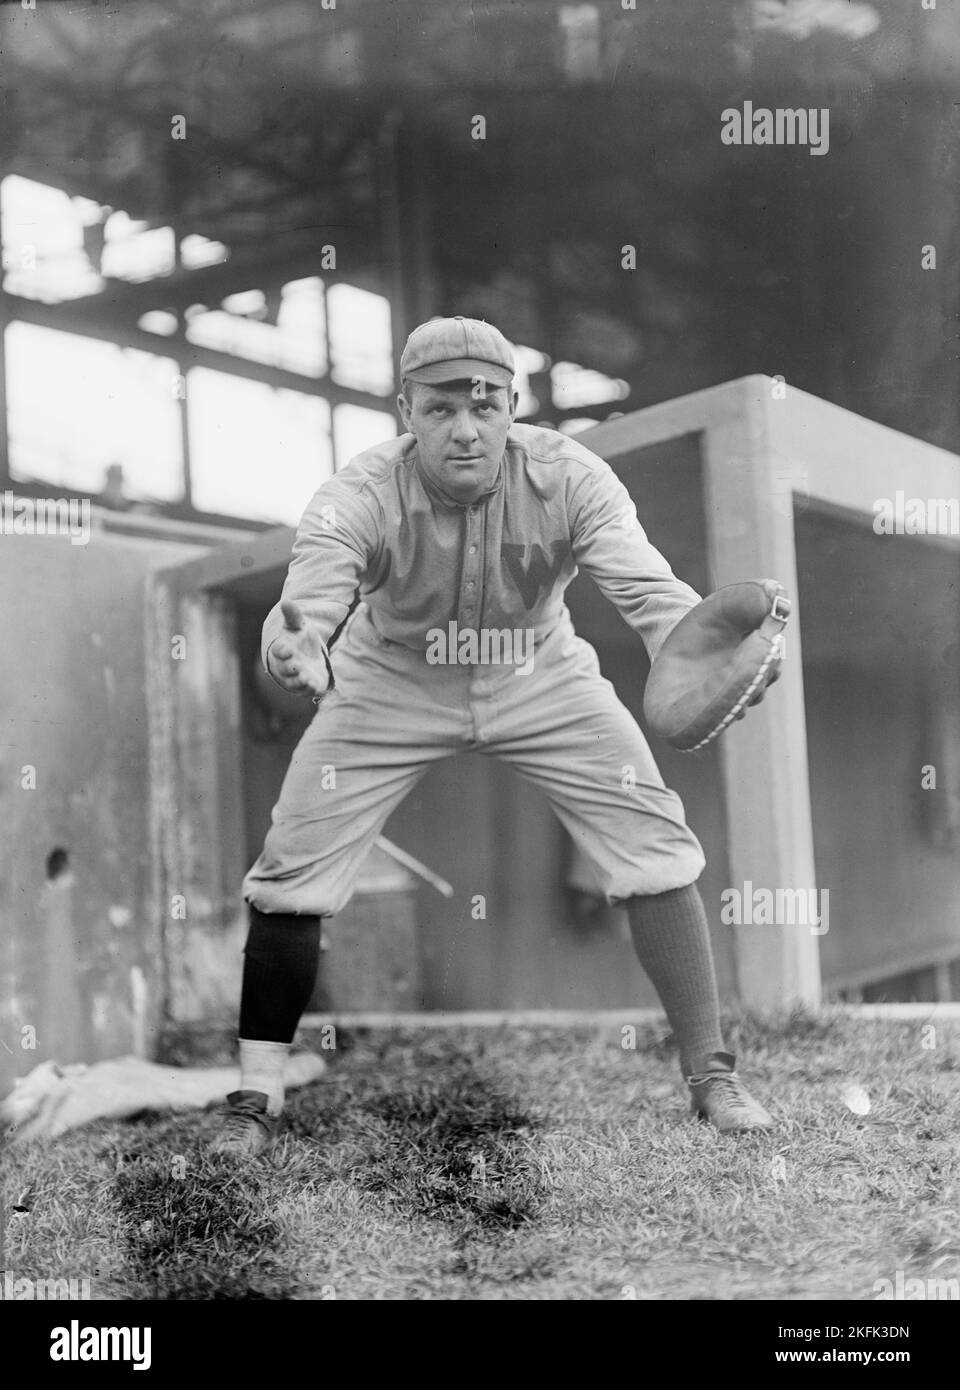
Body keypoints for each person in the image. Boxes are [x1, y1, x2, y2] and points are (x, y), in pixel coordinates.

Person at [212, 315, 774, 1155]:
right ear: (407, 408)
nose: (466, 428)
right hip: (389, 676)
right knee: (292, 865)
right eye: (440, 409)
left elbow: (651, 593)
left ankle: (713, 1076)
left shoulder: (572, 475)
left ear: (514, 404)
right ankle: (254, 1097)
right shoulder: (358, 491)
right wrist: (295, 647)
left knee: (654, 838)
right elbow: (312, 597)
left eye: (486, 403)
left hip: (537, 669)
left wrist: (698, 650)